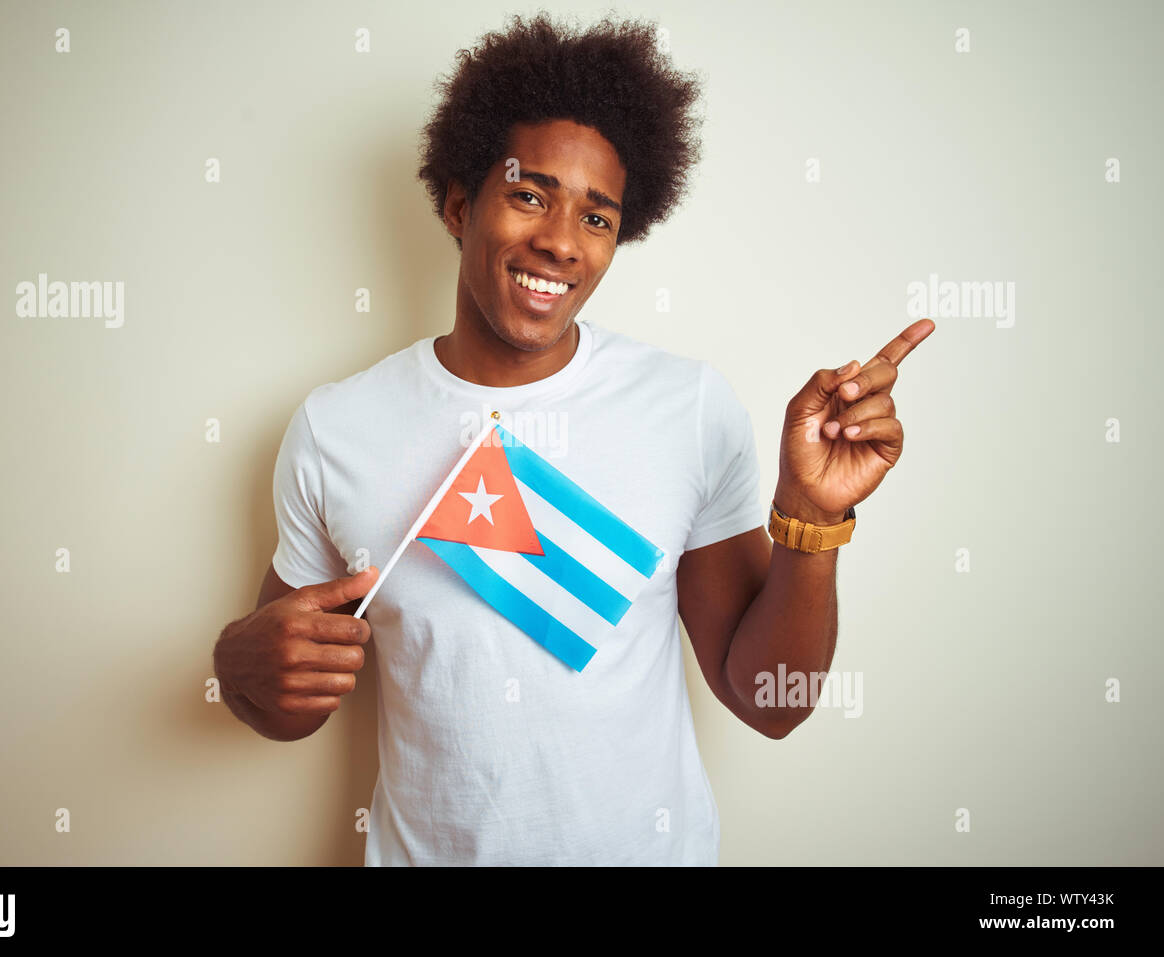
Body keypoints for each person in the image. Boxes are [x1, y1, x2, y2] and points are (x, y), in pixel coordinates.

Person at [212, 10, 932, 865]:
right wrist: (235, 665)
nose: (560, 241)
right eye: (528, 194)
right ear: (455, 203)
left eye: (597, 218)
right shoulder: (337, 428)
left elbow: (769, 702)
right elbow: (286, 700)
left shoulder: (687, 407)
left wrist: (810, 519)